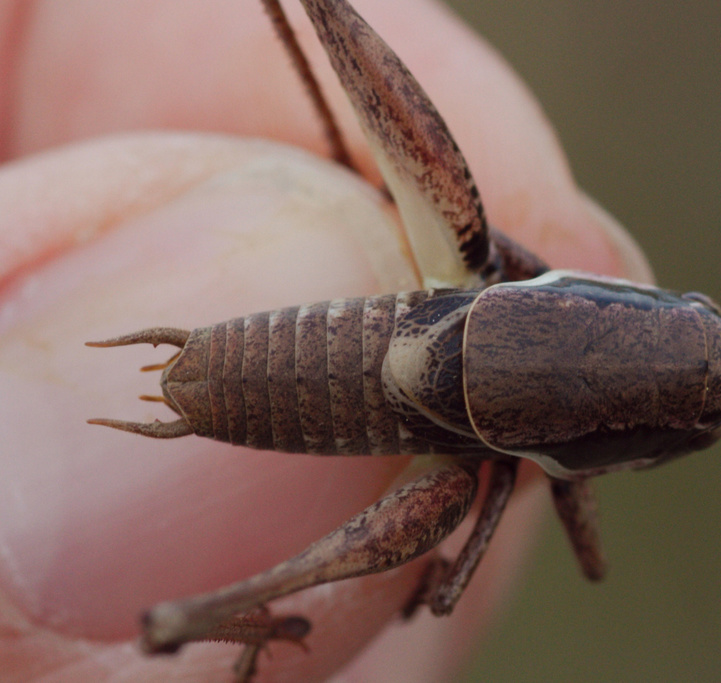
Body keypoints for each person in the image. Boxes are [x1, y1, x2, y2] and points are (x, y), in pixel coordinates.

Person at [0, 0, 650, 679]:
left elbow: (518, 260)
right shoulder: (490, 480)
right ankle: (225, 621)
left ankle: (215, 616)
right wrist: (438, 581)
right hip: (427, 404)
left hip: (432, 311)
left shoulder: (495, 261)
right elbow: (520, 575)